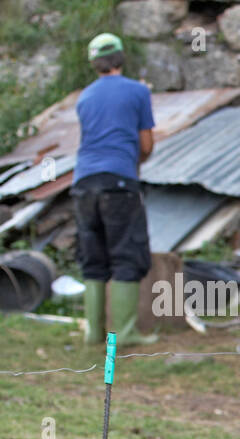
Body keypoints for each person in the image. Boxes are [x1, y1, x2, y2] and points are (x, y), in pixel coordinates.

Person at [71, 33, 156, 347]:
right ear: (121, 58)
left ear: (94, 63)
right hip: (118, 183)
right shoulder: (137, 92)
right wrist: (134, 164)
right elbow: (146, 144)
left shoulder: (84, 97)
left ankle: (93, 332)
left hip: (82, 185)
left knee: (92, 257)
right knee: (126, 253)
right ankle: (123, 334)